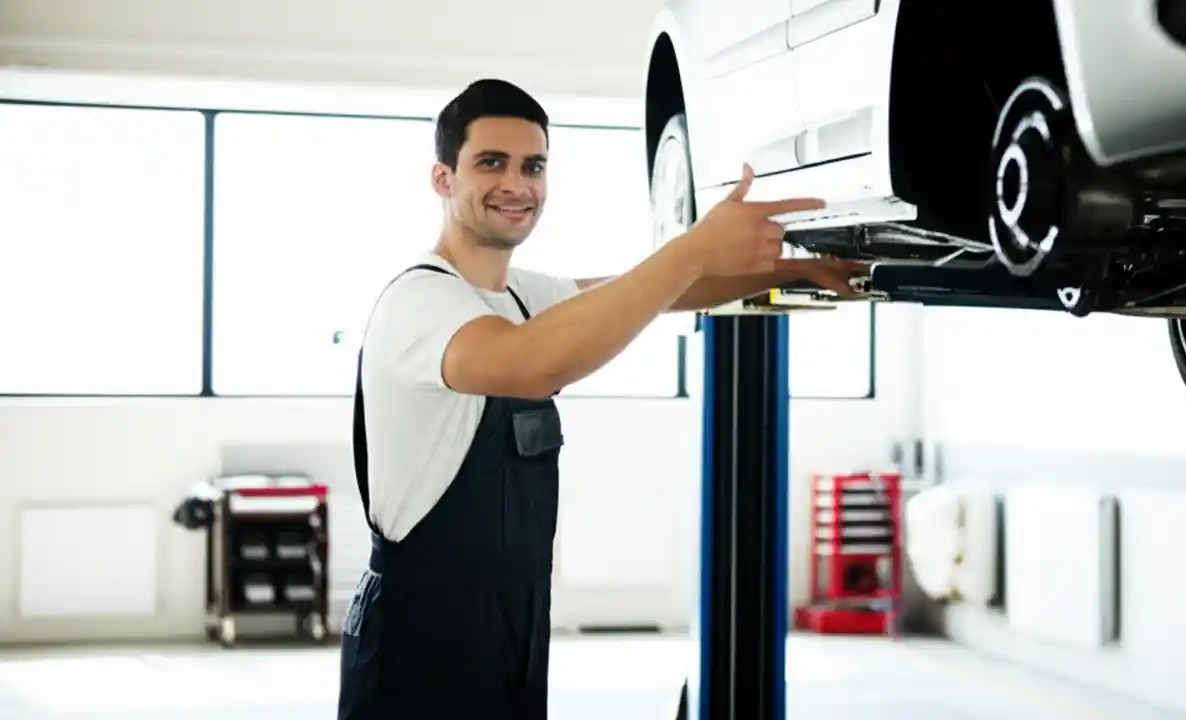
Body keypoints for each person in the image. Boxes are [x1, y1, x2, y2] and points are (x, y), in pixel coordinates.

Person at [337, 78, 862, 719]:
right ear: (442, 178)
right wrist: (691, 249)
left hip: (508, 623)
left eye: (533, 166)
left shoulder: (520, 294)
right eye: (491, 163)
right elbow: (528, 364)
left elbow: (653, 292)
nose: (516, 184)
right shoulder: (420, 300)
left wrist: (799, 269)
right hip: (419, 638)